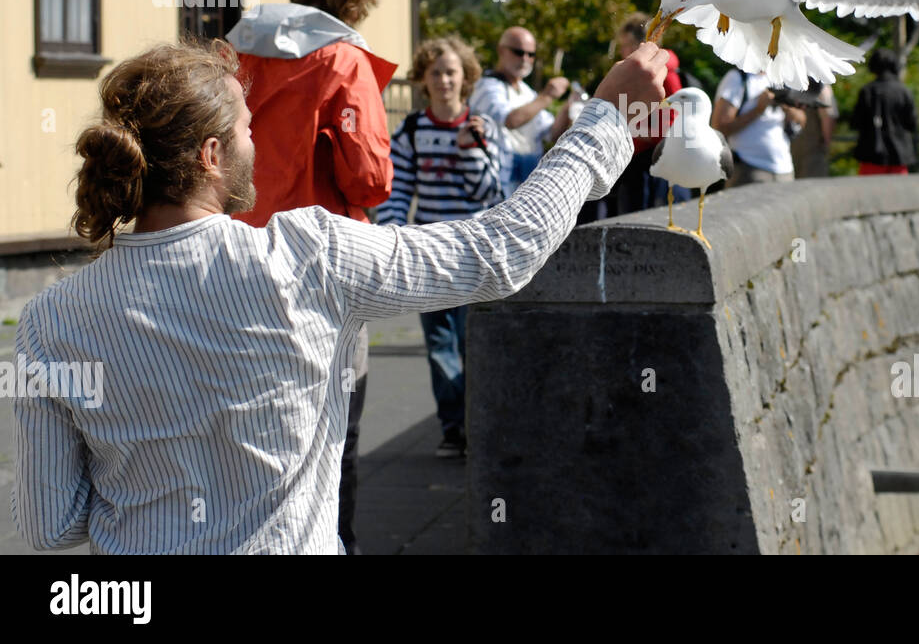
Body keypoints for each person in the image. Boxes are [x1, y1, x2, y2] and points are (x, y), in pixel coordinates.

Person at [11, 37, 667, 554]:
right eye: (245, 127)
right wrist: (600, 120)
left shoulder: (46, 320)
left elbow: (48, 524)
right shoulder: (303, 257)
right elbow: (499, 251)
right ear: (210, 155)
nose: (256, 140)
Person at [224, 0, 396, 555]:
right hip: (323, 260)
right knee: (333, 427)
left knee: (247, 421)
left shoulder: (238, 50)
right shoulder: (344, 59)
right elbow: (369, 178)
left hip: (239, 249)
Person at [375, 37, 502, 460]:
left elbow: (489, 190)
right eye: (435, 73)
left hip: (472, 252)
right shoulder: (412, 128)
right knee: (440, 344)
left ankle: (476, 422)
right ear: (423, 81)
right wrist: (393, 231)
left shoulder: (484, 126)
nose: (444, 80)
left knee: (472, 343)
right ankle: (454, 428)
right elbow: (397, 188)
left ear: (466, 78)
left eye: (451, 72)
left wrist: (469, 150)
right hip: (428, 250)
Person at [469, 26, 572, 196]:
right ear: (501, 51)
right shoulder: (487, 86)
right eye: (518, 52)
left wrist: (569, 106)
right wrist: (547, 96)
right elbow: (510, 120)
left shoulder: (526, 91)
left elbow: (552, 133)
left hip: (528, 178)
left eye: (531, 54)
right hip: (501, 183)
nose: (525, 59)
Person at [609, 13, 683, 215]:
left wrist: (621, 129)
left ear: (644, 45)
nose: (623, 51)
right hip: (636, 166)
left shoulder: (665, 75)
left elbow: (668, 129)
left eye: (626, 45)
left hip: (650, 172)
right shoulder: (642, 74)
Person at [712, 68, 806, 186]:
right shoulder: (736, 78)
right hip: (749, 169)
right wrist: (758, 110)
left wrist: (786, 105)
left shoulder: (781, 76)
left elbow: (801, 120)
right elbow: (719, 127)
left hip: (785, 170)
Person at [851, 49, 918, 175]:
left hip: (871, 154)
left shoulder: (867, 91)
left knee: (868, 192)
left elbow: (856, 122)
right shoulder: (904, 91)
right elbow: (912, 124)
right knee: (900, 193)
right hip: (899, 154)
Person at [790, 81, 839, 178]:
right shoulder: (821, 85)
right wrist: (826, 143)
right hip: (812, 145)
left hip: (790, 144)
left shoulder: (791, 82)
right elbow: (828, 115)